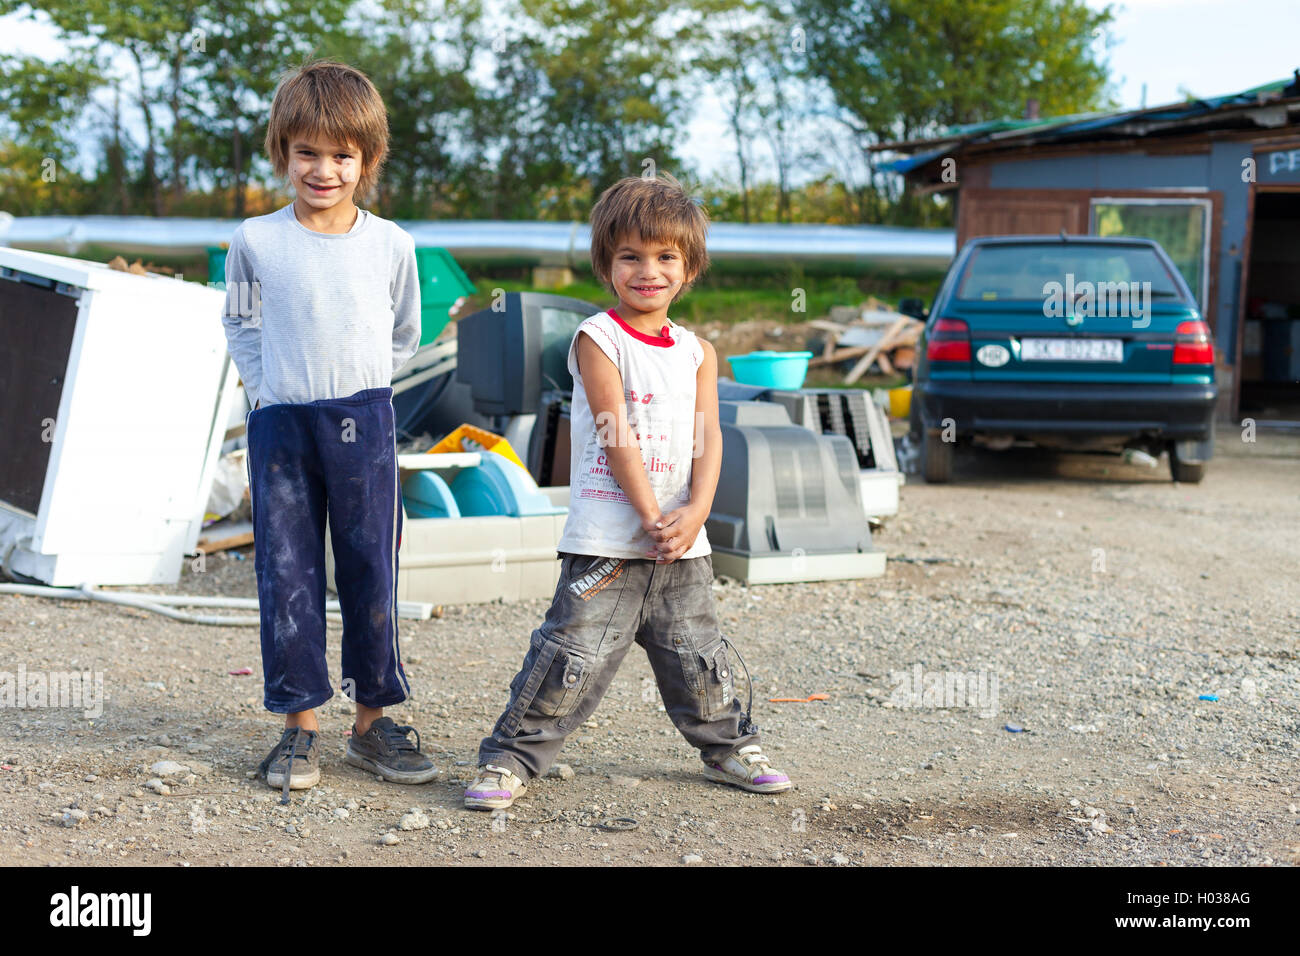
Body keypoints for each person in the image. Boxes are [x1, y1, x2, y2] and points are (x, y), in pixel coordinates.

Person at [465, 173, 792, 810]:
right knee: (571, 655)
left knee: (699, 655)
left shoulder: (699, 351)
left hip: (681, 544)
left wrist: (694, 512)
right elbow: (615, 433)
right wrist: (649, 514)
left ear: (690, 265)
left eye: (666, 256)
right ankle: (510, 758)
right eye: (631, 257)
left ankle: (729, 746)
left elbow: (709, 437)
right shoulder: (599, 338)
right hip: (609, 541)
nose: (649, 271)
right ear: (607, 265)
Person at [220, 59, 437, 801]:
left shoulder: (393, 246)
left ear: (367, 161)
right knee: (288, 572)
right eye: (307, 152)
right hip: (281, 424)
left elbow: (405, 331)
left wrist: (363, 391)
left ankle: (374, 721)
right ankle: (300, 723)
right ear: (282, 152)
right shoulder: (255, 240)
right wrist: (267, 388)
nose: (324, 169)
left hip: (364, 422)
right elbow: (242, 323)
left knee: (372, 568)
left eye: (342, 155)